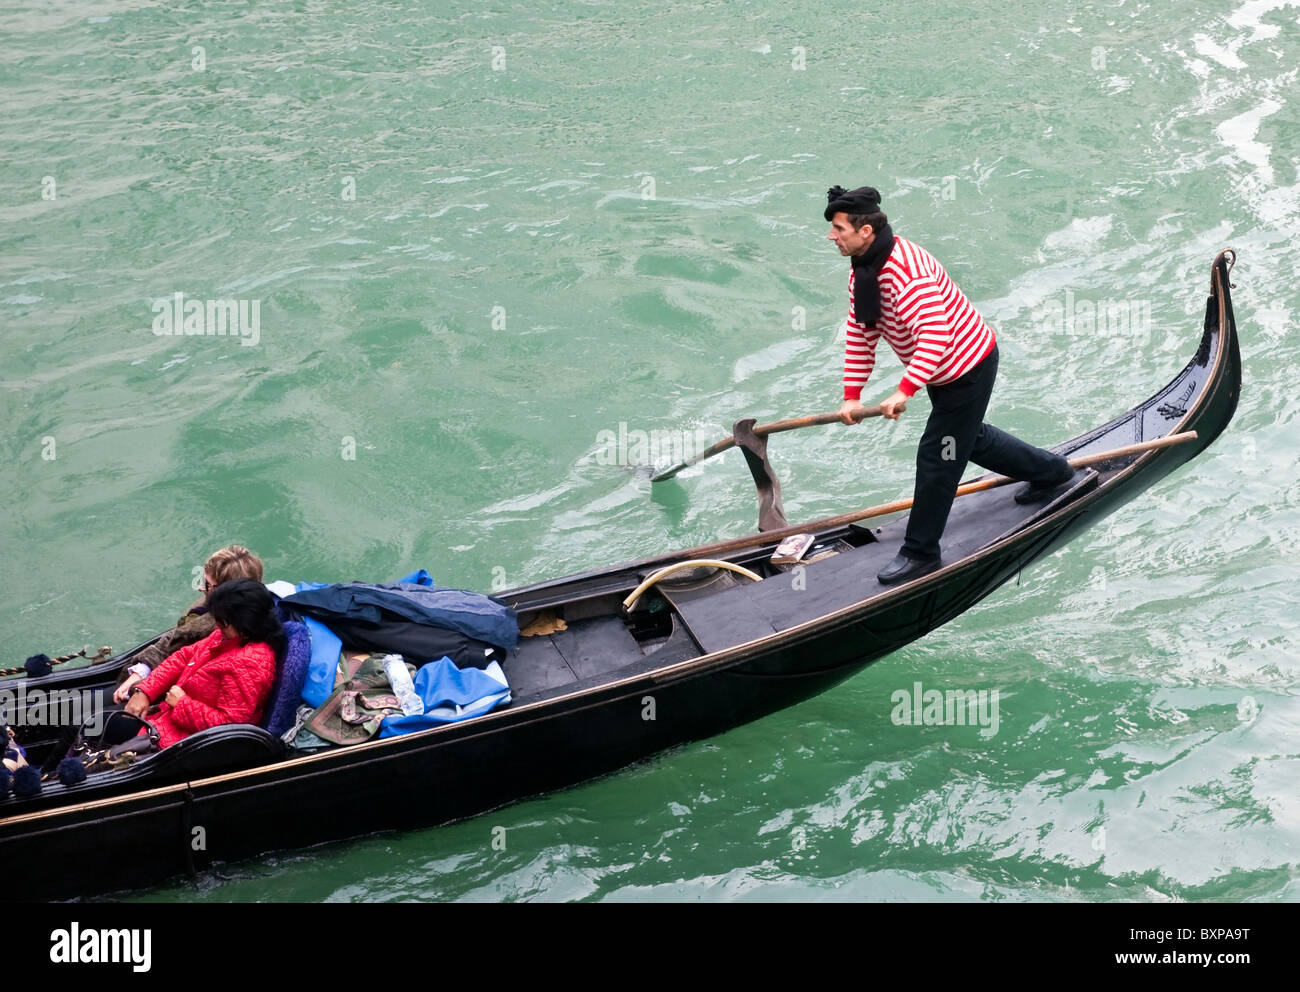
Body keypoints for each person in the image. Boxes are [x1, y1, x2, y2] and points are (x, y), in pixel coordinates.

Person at [824, 184, 1081, 585]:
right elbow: (861, 333)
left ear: (865, 232)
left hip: (968, 366)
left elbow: (936, 335)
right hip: (941, 372)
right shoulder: (864, 272)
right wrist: (851, 396)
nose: (831, 236)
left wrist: (904, 390)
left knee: (938, 456)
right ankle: (1052, 472)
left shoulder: (906, 272)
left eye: (838, 228)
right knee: (967, 439)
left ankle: (921, 552)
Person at [122, 579, 283, 748]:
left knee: (99, 727)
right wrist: (146, 691)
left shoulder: (251, 664)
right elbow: (183, 657)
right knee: (102, 719)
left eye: (223, 622)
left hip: (183, 743)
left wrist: (181, 704)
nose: (217, 625)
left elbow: (231, 728)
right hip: (166, 721)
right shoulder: (224, 636)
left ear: (246, 621)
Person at [113, 545, 264, 703]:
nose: (200, 587)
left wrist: (139, 688)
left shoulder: (220, 630)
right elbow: (176, 654)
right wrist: (140, 674)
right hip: (151, 679)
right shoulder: (207, 615)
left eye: (207, 585)